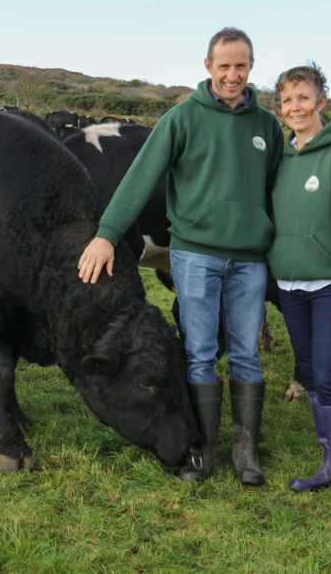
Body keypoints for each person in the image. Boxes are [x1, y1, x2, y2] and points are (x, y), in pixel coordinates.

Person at [78, 27, 284, 485]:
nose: (233, 74)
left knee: (248, 354)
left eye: (241, 65)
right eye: (224, 65)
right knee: (200, 353)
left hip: (250, 259)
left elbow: (281, 194)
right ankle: (203, 449)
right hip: (194, 257)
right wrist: (107, 234)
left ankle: (245, 451)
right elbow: (139, 176)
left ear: (252, 67)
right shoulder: (182, 118)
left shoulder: (267, 127)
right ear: (208, 66)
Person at [266, 62, 331, 528]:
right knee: (310, 374)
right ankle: (328, 465)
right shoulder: (282, 157)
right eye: (287, 100)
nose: (295, 107)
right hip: (290, 288)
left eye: (303, 98)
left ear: (321, 102)